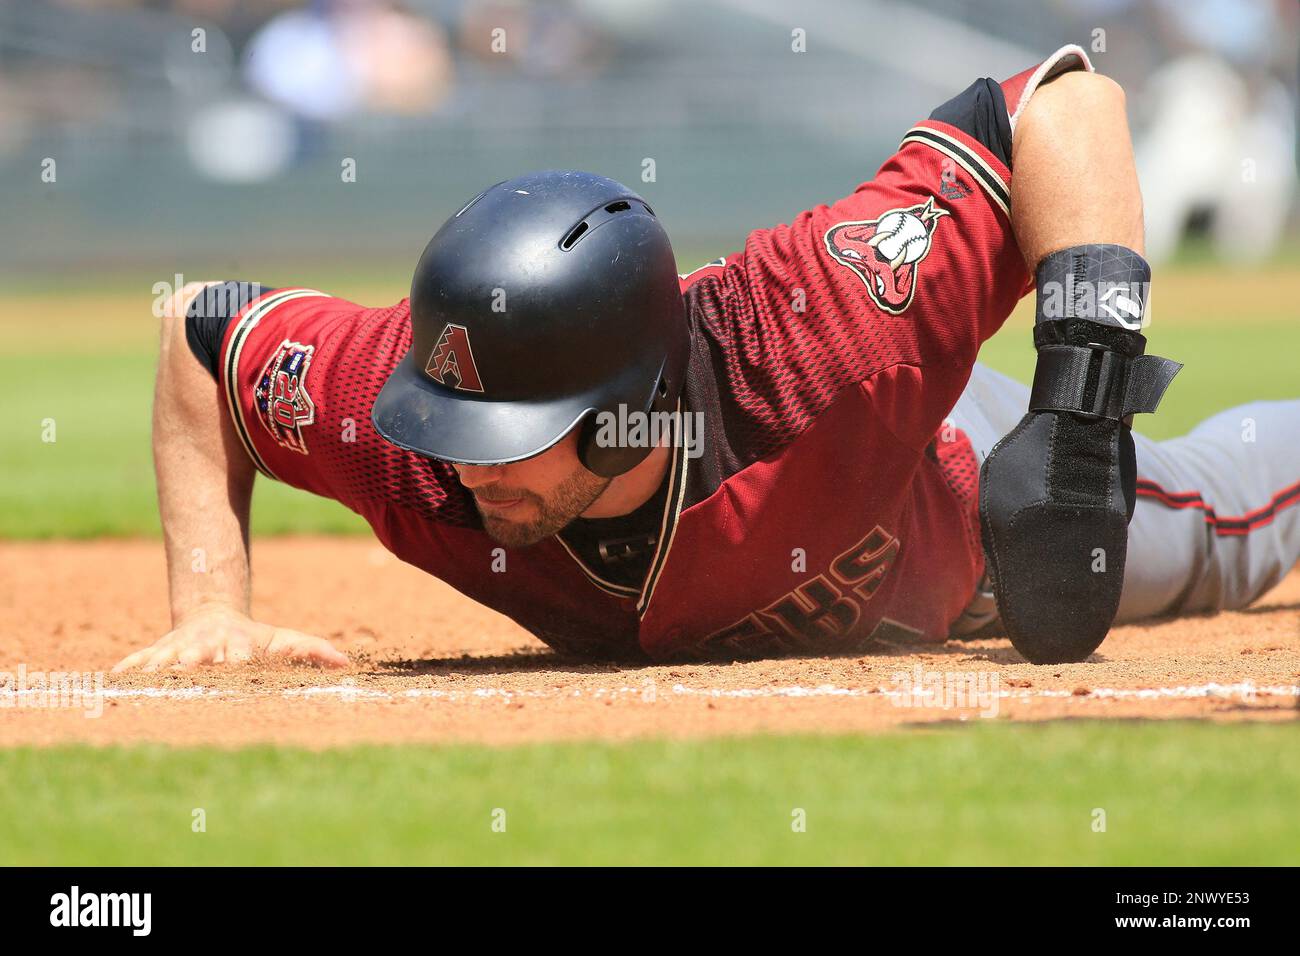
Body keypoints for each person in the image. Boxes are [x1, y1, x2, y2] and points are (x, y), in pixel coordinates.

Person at [114, 45, 1300, 672]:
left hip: (968, 502)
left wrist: (1081, 420)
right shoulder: (407, 417)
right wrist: (209, 609)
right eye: (451, 423)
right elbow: (203, 330)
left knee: (1234, 520)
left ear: (635, 402)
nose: (467, 470)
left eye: (506, 437)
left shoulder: (824, 329)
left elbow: (1064, 102)